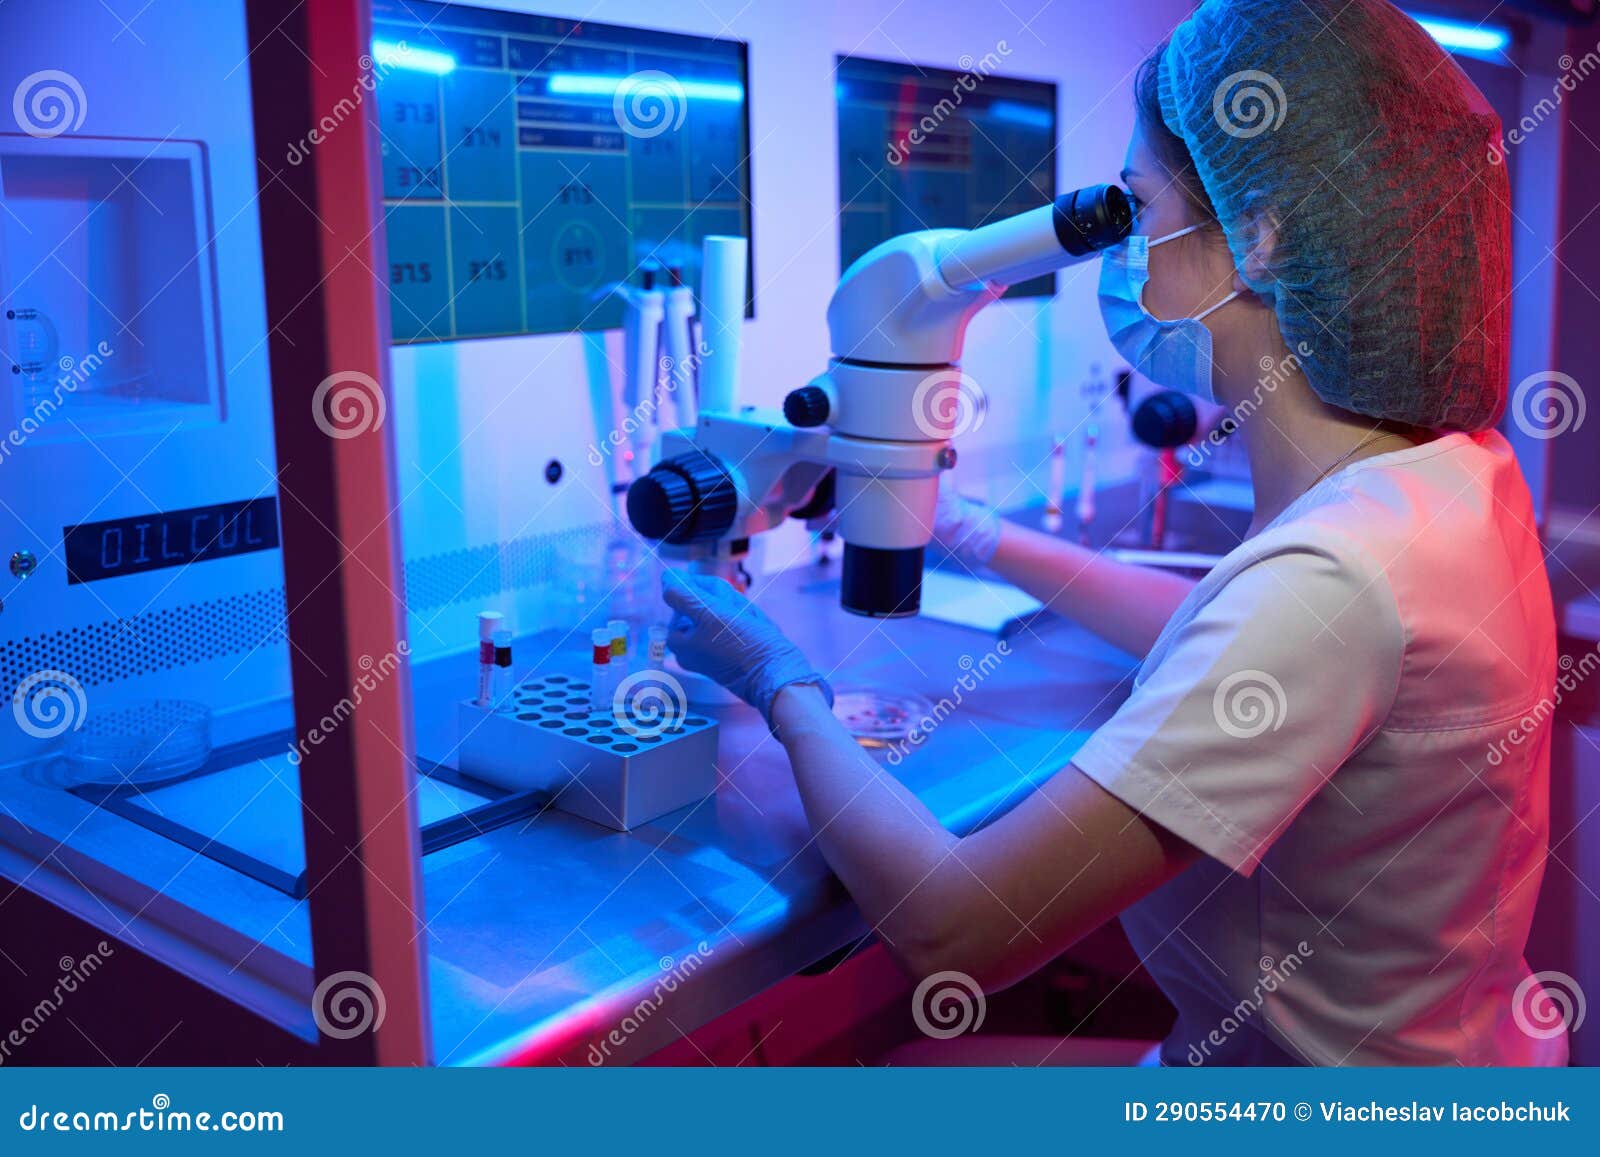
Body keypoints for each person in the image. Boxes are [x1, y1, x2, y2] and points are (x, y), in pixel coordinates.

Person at [661, 0, 1564, 1065]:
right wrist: (969, 532)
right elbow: (1222, 627)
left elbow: (958, 929)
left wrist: (779, 682)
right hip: (1453, 1064)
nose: (1121, 249)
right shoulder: (1448, 480)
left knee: (901, 1060)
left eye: (1135, 206)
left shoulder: (1336, 577)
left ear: (1264, 236)